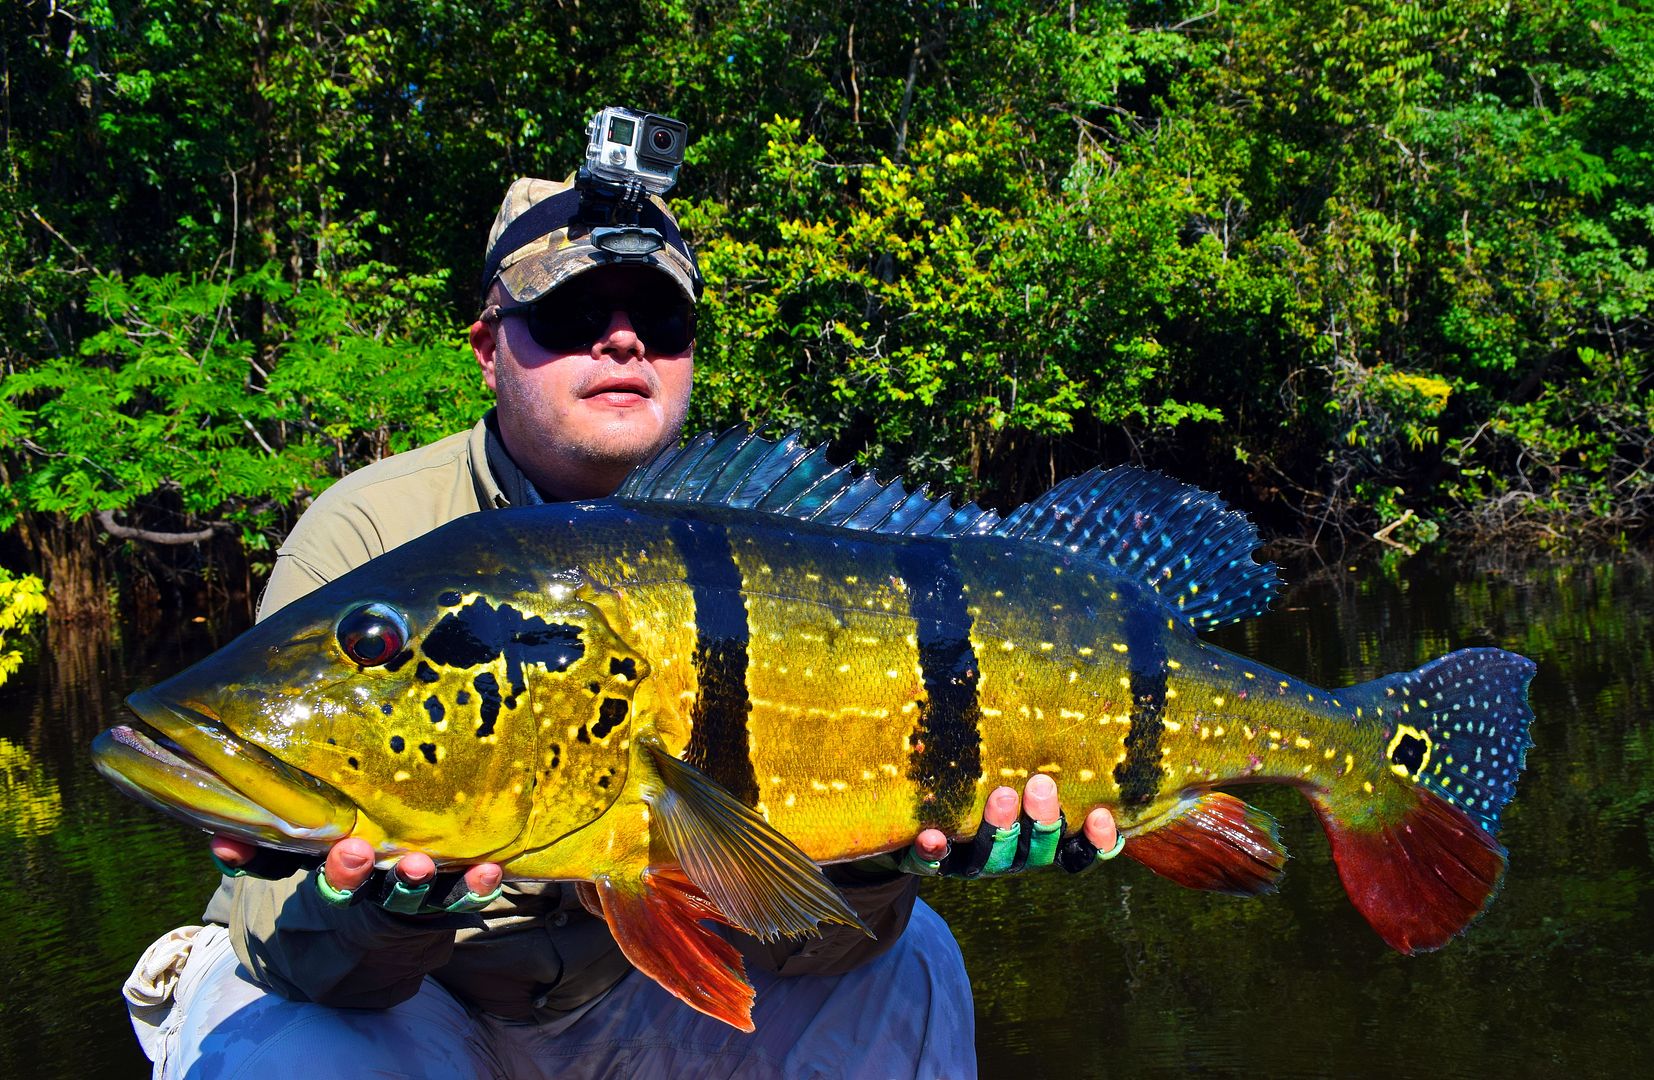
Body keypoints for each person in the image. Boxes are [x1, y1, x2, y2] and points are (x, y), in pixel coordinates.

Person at [122, 172, 1120, 1079]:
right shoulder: (370, 535)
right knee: (290, 1057)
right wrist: (384, 914)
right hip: (421, 1005)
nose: (622, 340)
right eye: (571, 313)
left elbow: (804, 943)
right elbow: (286, 952)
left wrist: (881, 866)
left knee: (914, 963)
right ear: (487, 349)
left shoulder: (788, 545)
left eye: (659, 318)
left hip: (636, 999)